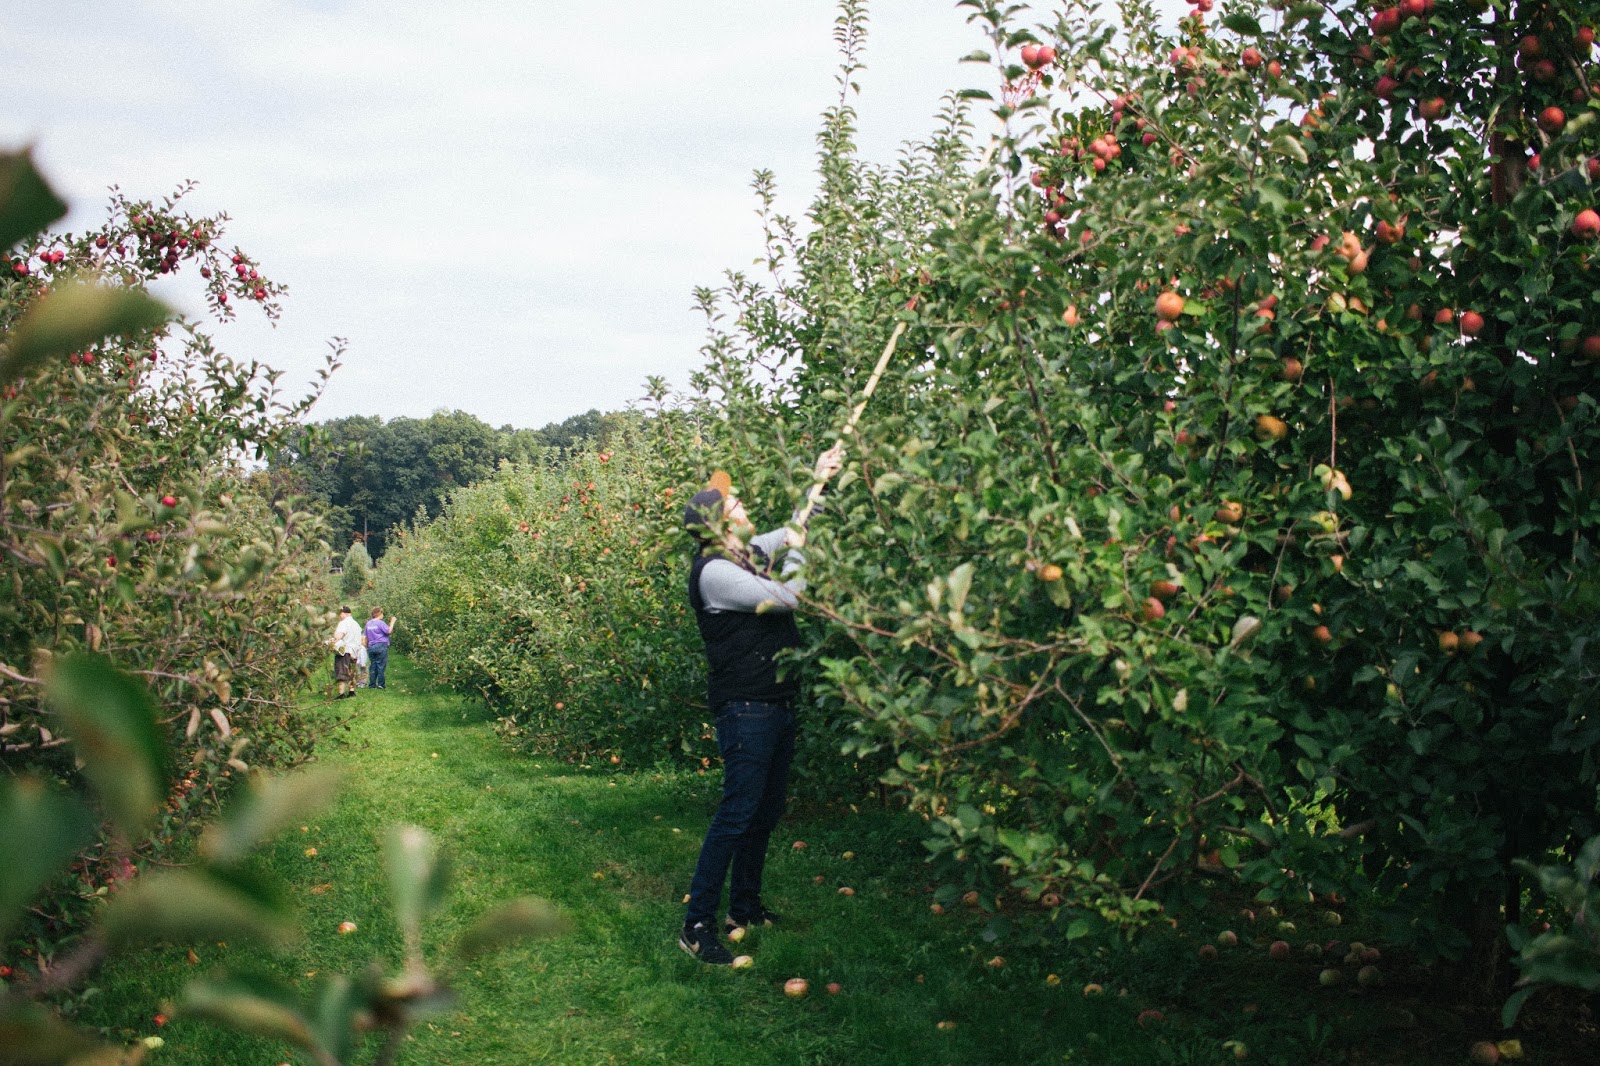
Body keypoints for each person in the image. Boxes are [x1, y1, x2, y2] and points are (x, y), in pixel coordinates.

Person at [677, 444, 844, 966]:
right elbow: (790, 597)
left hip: (774, 702)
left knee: (764, 812)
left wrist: (821, 477)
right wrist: (796, 552)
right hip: (746, 708)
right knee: (736, 814)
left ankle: (743, 909)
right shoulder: (715, 573)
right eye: (736, 505)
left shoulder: (743, 555)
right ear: (720, 525)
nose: (745, 504)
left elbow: (796, 526)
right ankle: (697, 924)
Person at [329, 606, 363, 700]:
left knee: (341, 671)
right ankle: (351, 691)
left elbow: (340, 634)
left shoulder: (344, 623)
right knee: (351, 671)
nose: (339, 616)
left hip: (345, 651)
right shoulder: (356, 624)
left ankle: (341, 694)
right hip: (354, 651)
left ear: (346, 614)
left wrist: (333, 640)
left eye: (341, 614)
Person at [364, 607, 395, 689]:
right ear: (379, 614)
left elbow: (366, 637)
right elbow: (389, 631)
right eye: (382, 613)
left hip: (371, 646)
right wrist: (392, 622)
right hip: (381, 645)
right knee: (381, 665)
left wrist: (367, 646)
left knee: (373, 665)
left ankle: (372, 684)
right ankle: (381, 684)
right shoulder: (380, 623)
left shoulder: (368, 624)